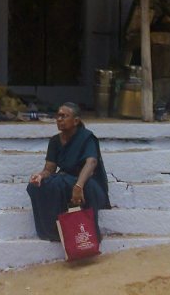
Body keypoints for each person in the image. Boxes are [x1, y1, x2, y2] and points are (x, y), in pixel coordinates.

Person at [27, 103, 110, 242]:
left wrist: (79, 186)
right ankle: (53, 231)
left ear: (76, 121)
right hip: (66, 181)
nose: (59, 119)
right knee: (36, 186)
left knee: (62, 182)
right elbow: (50, 169)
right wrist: (40, 176)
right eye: (58, 116)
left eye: (64, 116)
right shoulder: (55, 141)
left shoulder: (86, 137)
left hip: (87, 183)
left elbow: (91, 163)